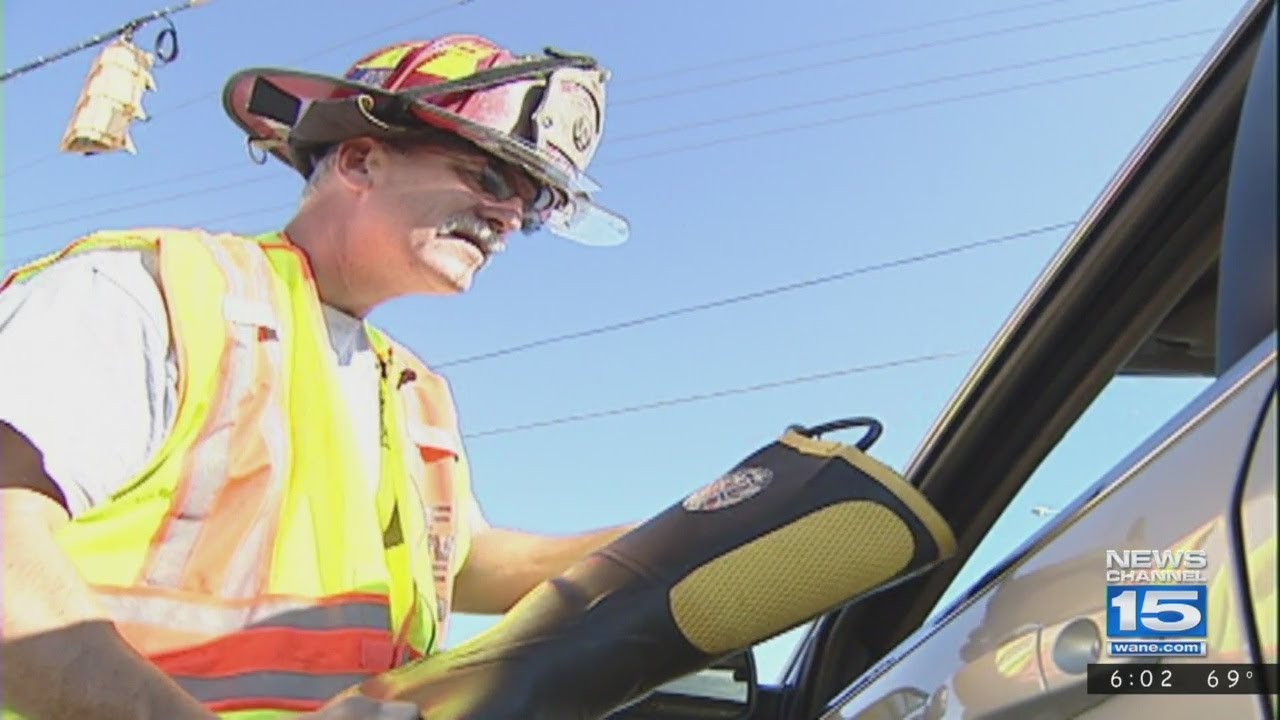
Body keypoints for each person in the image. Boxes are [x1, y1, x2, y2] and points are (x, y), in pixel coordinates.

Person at [0, 34, 636, 719]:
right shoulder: (156, 291)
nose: (507, 218)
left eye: (529, 209)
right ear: (360, 160)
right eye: (490, 179)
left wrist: (702, 528)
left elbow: (472, 563)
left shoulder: (414, 396)